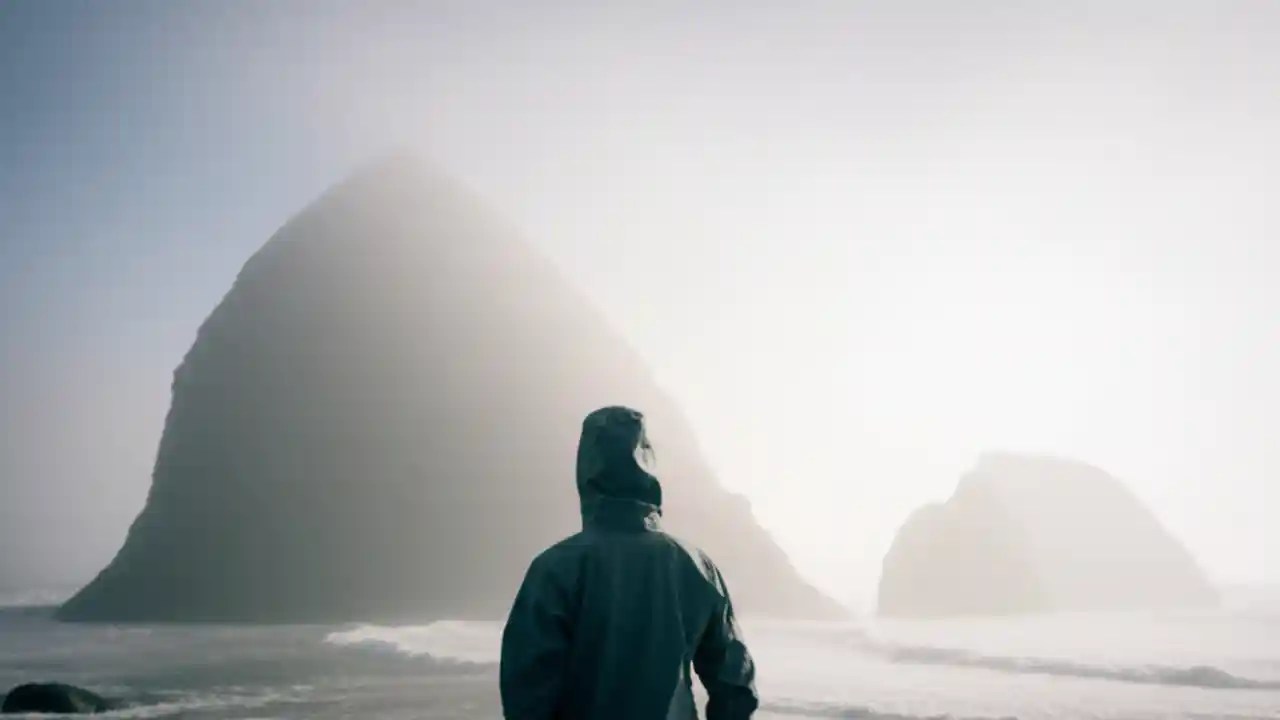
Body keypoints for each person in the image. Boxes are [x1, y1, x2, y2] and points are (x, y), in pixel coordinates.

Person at [500, 406, 759, 720]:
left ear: (586, 467)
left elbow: (527, 691)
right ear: (647, 462)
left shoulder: (555, 568)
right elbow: (735, 684)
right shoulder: (696, 565)